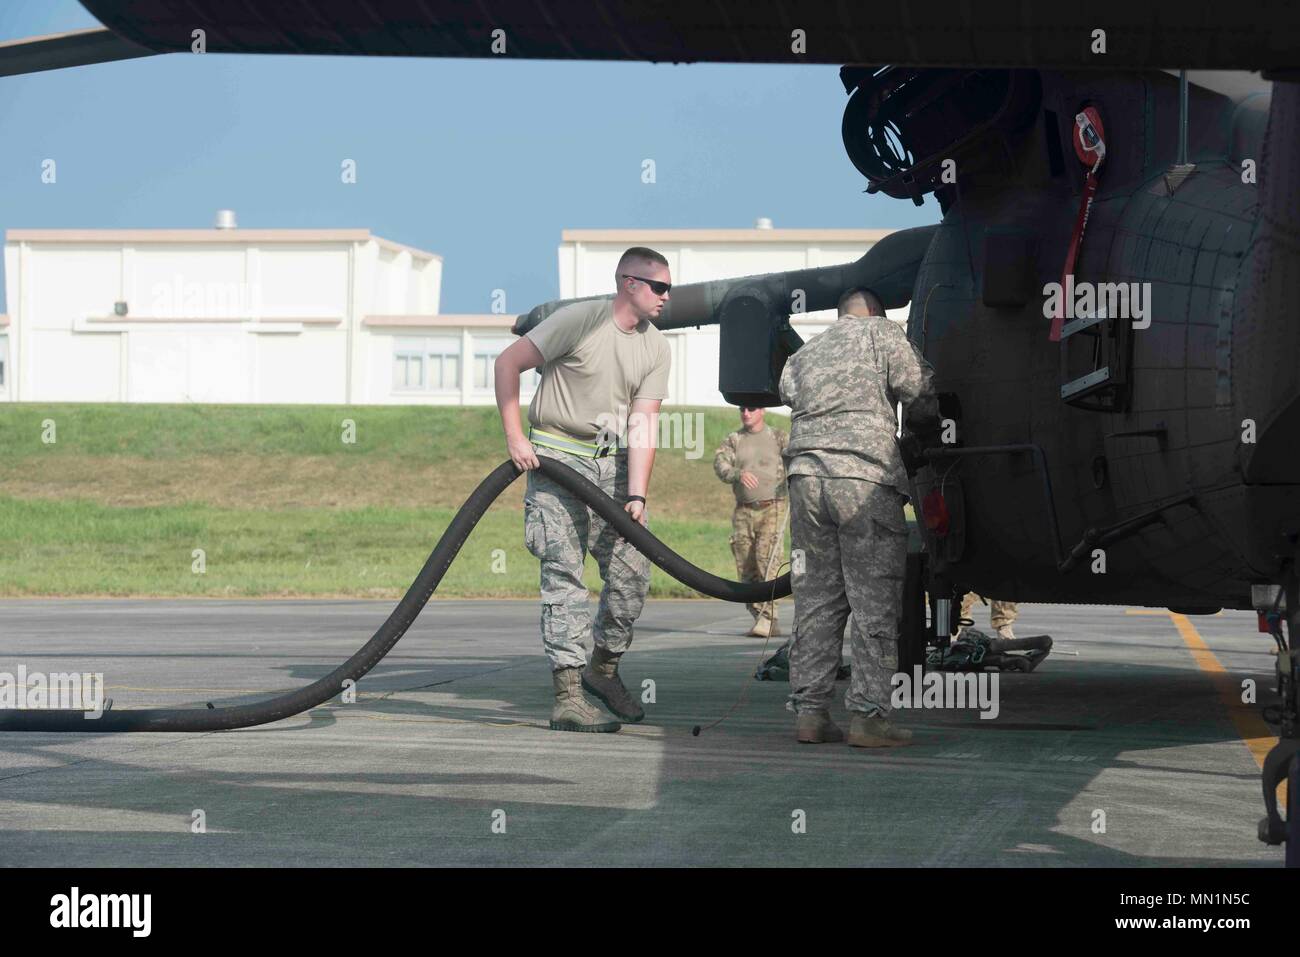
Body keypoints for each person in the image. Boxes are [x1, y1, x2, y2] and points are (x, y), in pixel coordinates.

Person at [493, 247, 672, 733]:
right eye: (659, 287)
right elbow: (508, 363)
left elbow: (644, 422)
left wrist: (636, 493)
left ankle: (603, 669)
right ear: (628, 283)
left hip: (612, 466)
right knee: (565, 578)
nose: (666, 297)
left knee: (634, 574)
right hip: (558, 462)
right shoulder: (580, 321)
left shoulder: (656, 346)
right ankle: (567, 695)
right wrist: (514, 438)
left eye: (669, 288)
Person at [780, 288, 940, 748]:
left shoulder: (806, 353)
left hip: (806, 481)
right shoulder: (883, 334)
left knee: (816, 598)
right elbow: (921, 392)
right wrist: (926, 431)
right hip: (863, 481)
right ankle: (870, 717)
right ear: (875, 312)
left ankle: (810, 714)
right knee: (873, 599)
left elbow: (787, 392)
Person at [713, 405, 789, 637]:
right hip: (744, 512)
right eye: (743, 409)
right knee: (746, 567)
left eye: (752, 408)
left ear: (762, 411)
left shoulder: (778, 437)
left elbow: (797, 459)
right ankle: (759, 615)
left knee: (767, 562)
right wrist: (738, 474)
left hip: (773, 507)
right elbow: (720, 463)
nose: (746, 413)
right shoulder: (735, 439)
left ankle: (768, 616)